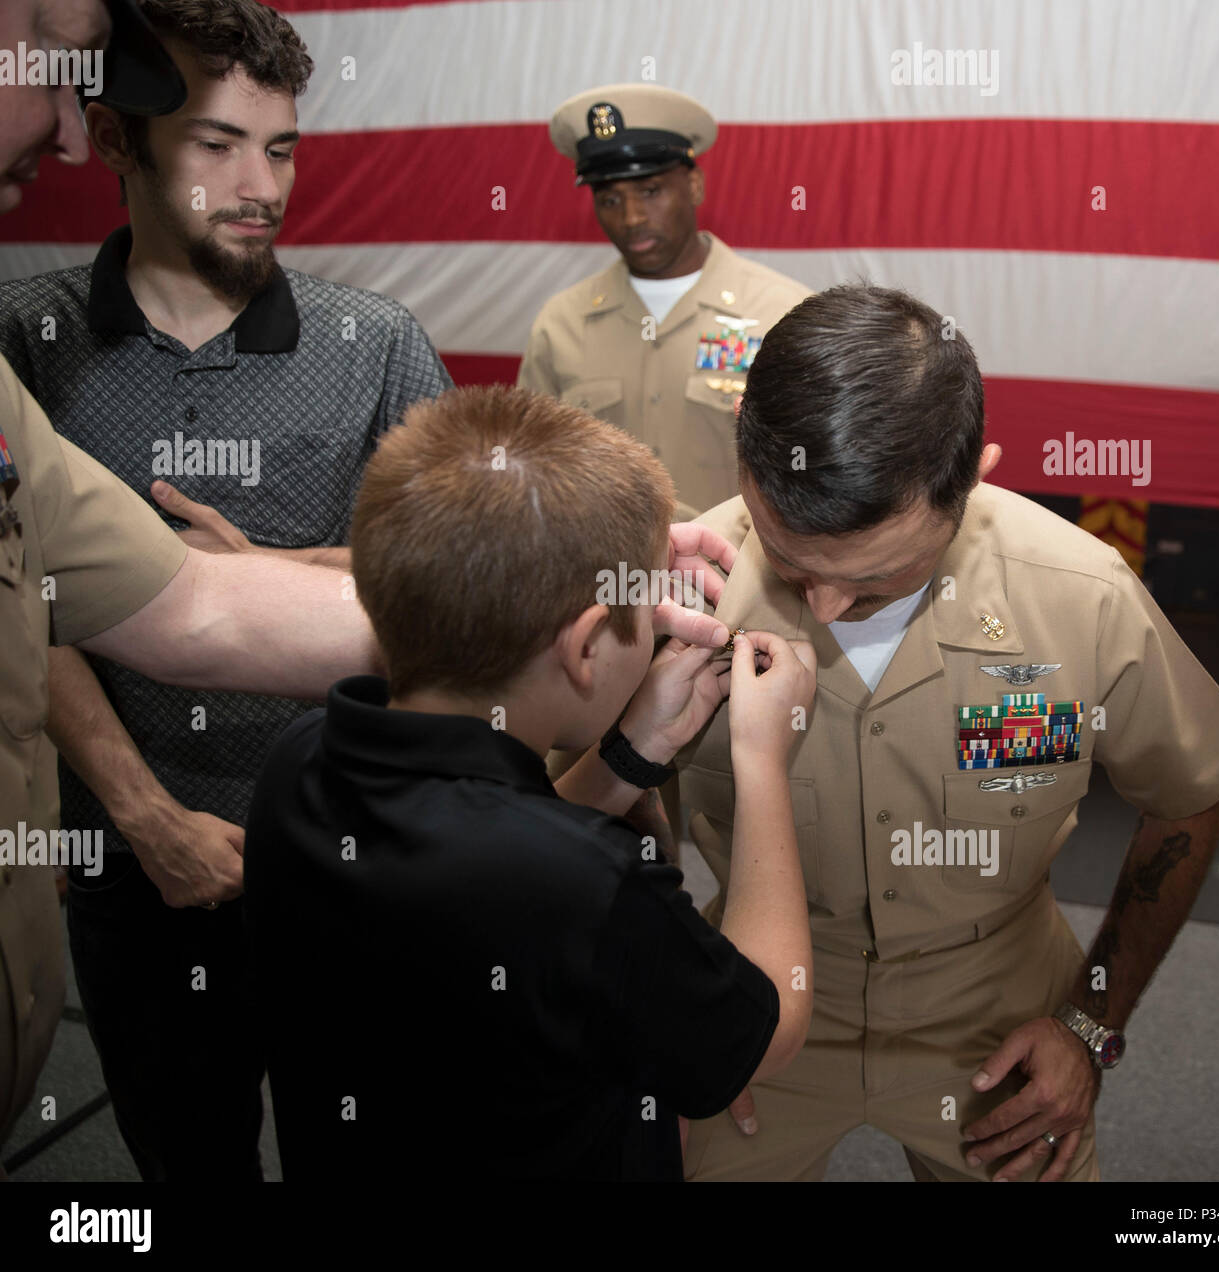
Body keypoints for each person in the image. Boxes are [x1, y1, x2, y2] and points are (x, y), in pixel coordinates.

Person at [673, 283, 1219, 1182]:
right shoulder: (680, 593)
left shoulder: (1082, 594)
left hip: (996, 1014)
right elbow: (599, 811)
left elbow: (1190, 804)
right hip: (758, 1001)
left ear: (975, 474)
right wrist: (661, 1004)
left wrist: (1089, 1028)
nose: (827, 607)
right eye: (789, 563)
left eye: (876, 580)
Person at [0, 0, 452, 1181]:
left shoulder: (380, 345)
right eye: (214, 144)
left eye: (283, 146)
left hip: (355, 860)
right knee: (180, 1158)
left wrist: (260, 569)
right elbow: (20, 603)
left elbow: (455, 581)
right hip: (129, 861)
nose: (261, 184)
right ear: (111, 140)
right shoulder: (23, 344)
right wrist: (145, 817)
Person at [243, 385, 818, 1180]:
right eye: (645, 604)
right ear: (586, 649)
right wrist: (761, 758)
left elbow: (484, 864)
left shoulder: (298, 762)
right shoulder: (595, 883)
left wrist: (626, 755)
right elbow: (770, 1024)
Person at [517, 83, 810, 519]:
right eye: (610, 198)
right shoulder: (562, 324)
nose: (631, 218)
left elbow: (818, 474)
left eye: (650, 191)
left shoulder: (780, 314)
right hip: (599, 577)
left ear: (693, 185)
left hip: (741, 577)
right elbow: (530, 471)